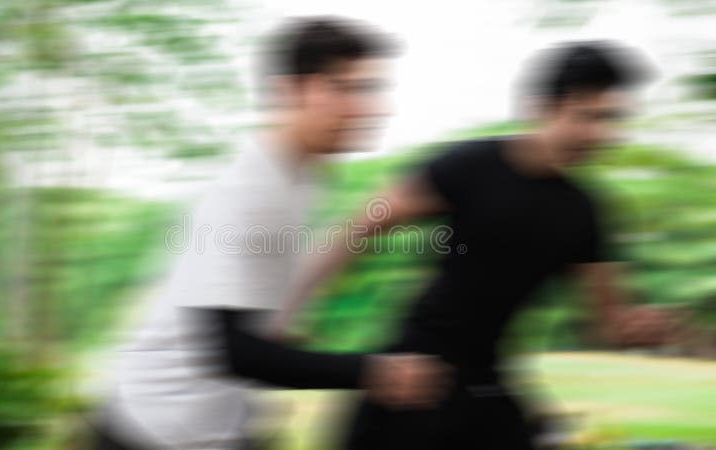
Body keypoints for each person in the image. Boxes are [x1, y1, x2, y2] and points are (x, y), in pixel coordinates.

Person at [270, 41, 658, 450]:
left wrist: (638, 327)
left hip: (488, 381)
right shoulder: (469, 165)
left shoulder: (587, 213)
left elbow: (607, 325)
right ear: (541, 106)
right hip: (413, 374)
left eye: (611, 118)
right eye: (587, 117)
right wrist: (287, 311)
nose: (601, 133)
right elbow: (359, 227)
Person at [88, 16, 448, 450]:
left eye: (373, 89)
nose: (370, 107)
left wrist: (281, 326)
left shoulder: (303, 176)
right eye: (347, 88)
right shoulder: (245, 190)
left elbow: (248, 315)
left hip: (218, 427)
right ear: (289, 90)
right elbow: (233, 352)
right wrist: (372, 372)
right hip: (153, 430)